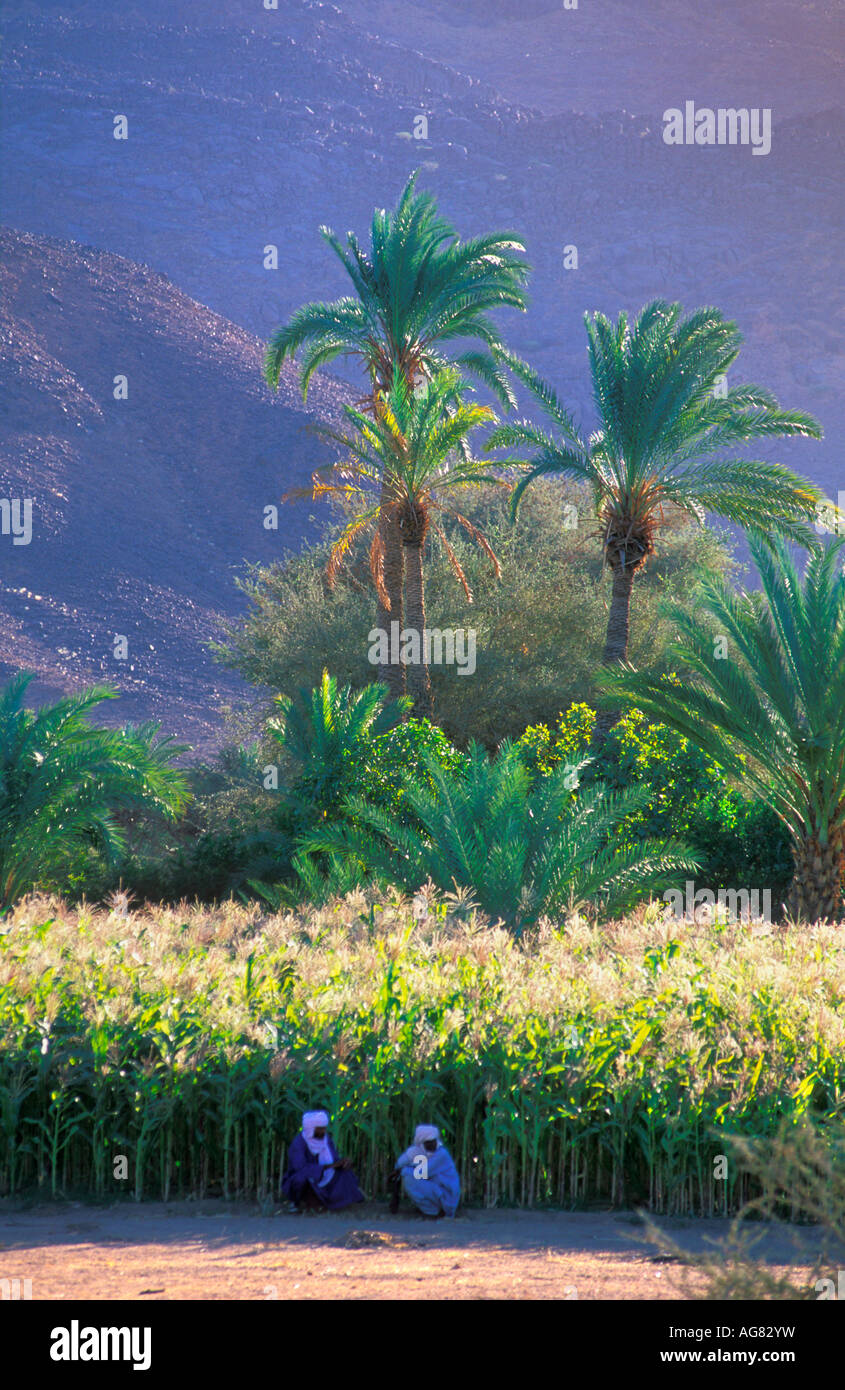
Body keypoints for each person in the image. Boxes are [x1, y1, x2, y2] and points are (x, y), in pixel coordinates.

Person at [282, 1109, 364, 1212]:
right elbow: (300, 1168)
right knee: (302, 1179)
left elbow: (333, 1159)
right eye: (320, 1129)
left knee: (345, 1173)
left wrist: (343, 1162)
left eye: (324, 1128)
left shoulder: (326, 1140)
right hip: (305, 1177)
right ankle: (297, 1203)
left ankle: (335, 1202)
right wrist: (329, 1166)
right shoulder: (298, 1144)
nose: (323, 1132)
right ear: (311, 1129)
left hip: (323, 1175)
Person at [392, 1124, 460, 1218]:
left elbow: (422, 1173)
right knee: (408, 1176)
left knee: (408, 1178)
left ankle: (433, 1211)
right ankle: (431, 1209)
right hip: (436, 1189)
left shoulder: (441, 1154)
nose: (432, 1144)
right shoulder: (418, 1152)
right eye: (428, 1142)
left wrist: (403, 1170)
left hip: (446, 1195)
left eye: (433, 1141)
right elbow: (400, 1163)